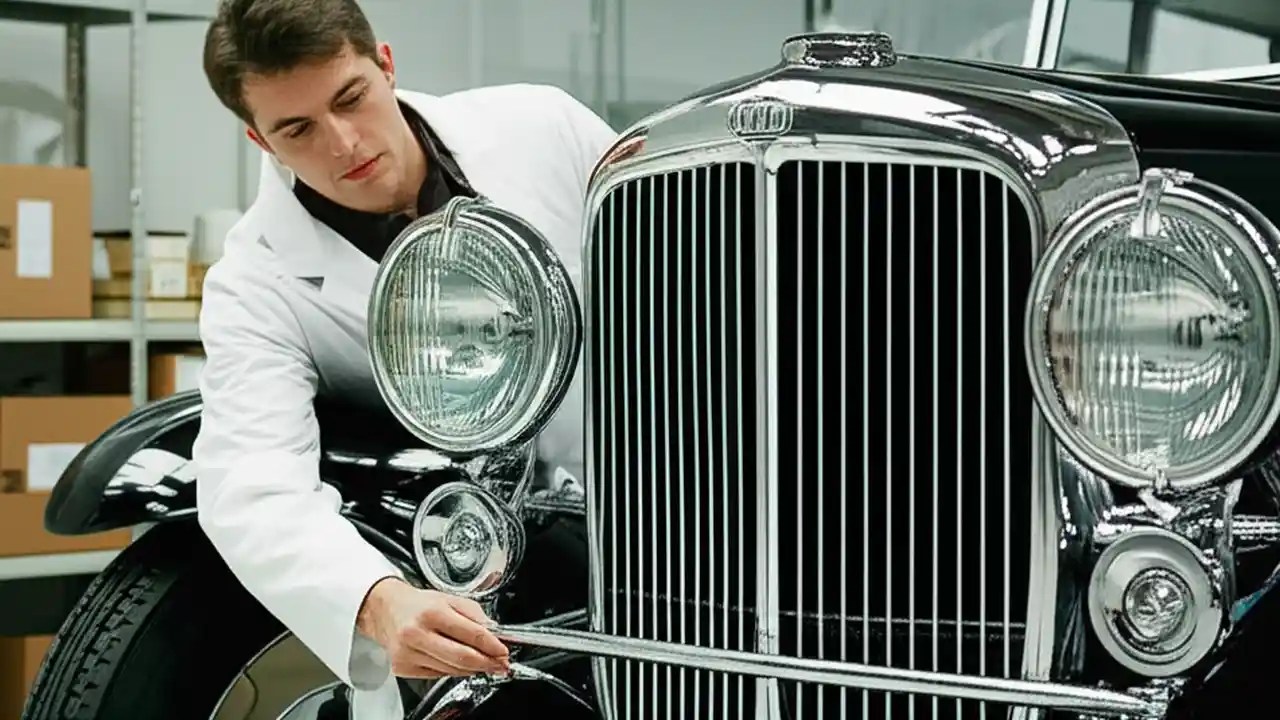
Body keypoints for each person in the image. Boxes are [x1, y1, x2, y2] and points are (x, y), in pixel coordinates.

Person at [191, 0, 617, 716]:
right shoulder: (254, 283)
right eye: (296, 129)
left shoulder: (545, 129)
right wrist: (375, 603)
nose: (343, 143)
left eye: (351, 98)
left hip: (678, 503)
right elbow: (251, 484)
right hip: (500, 568)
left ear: (385, 64)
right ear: (258, 140)